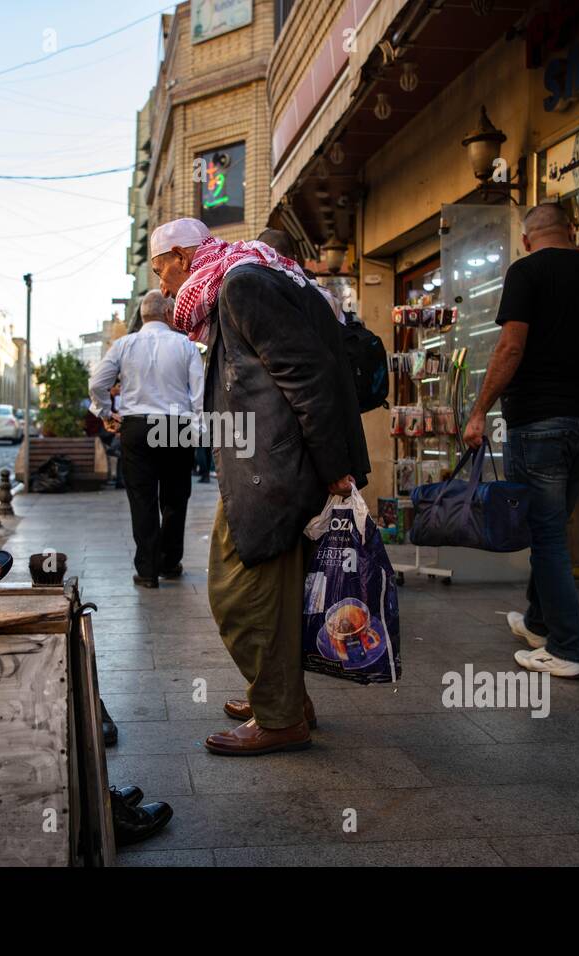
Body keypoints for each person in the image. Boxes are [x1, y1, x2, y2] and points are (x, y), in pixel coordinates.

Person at [150, 218, 369, 757]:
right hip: (278, 463)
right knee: (276, 591)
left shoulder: (241, 284)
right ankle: (284, 698)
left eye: (161, 270)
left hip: (273, 468)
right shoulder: (277, 277)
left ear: (181, 256)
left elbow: (306, 374)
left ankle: (280, 717)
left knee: (238, 592)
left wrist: (332, 463)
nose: (163, 287)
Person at [461, 203, 579, 678]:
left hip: (537, 423)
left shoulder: (526, 272)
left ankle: (567, 648)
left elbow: (512, 345)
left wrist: (479, 410)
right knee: (553, 528)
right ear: (571, 232)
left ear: (526, 239)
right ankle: (538, 622)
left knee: (546, 537)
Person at [89, 288, 203, 588]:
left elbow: (97, 382)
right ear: (169, 314)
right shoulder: (186, 346)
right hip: (176, 426)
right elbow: (199, 395)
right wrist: (200, 430)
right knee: (176, 498)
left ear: (142, 315)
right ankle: (169, 562)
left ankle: (148, 570)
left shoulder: (124, 345)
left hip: (137, 427)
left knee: (143, 499)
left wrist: (104, 413)